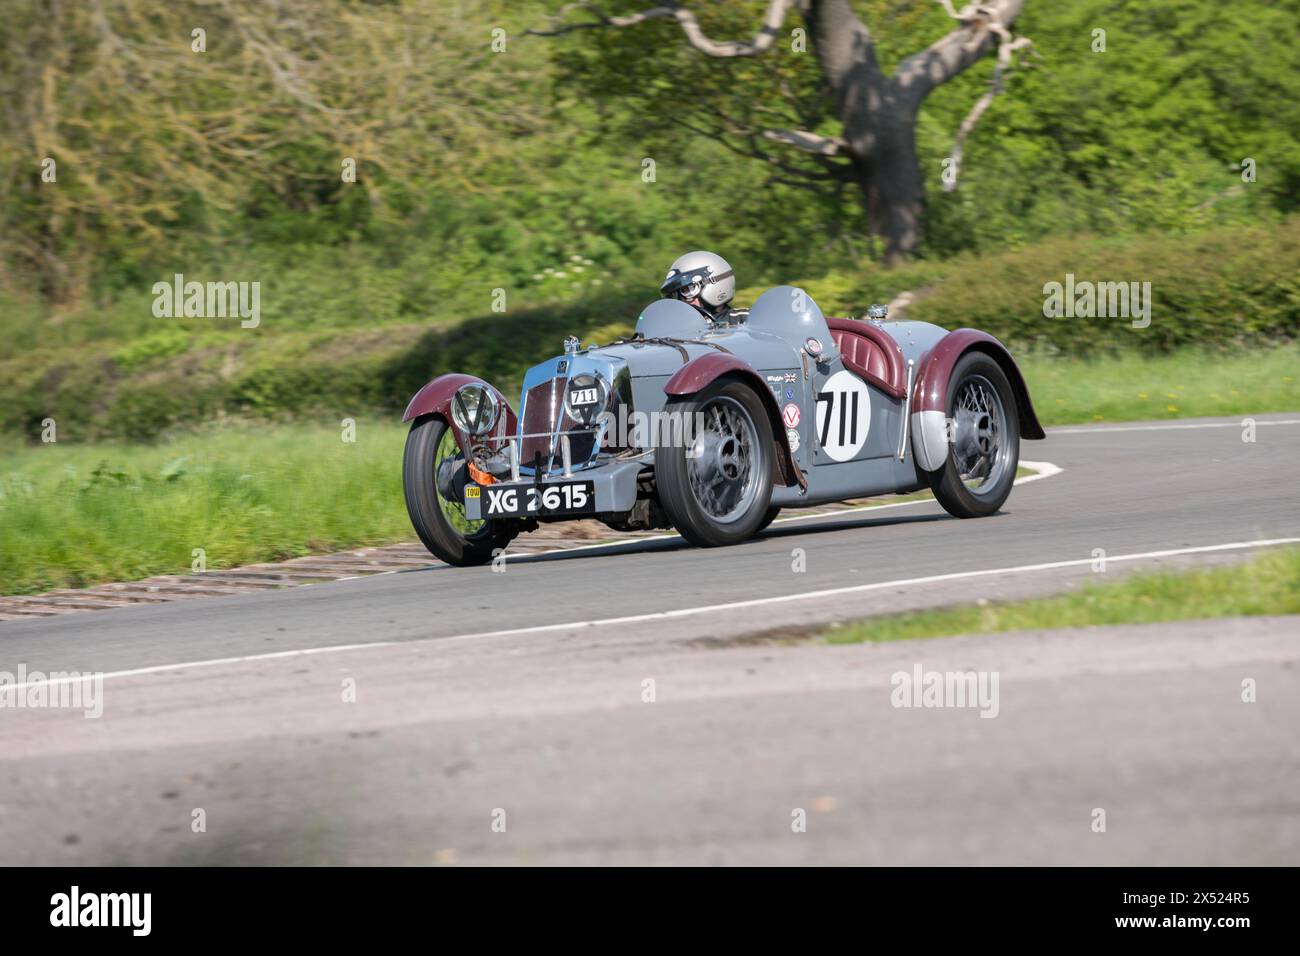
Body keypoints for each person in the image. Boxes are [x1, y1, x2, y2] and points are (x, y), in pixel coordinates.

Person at [658, 250, 747, 324]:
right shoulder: (673, 330)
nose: (682, 300)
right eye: (676, 295)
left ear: (715, 283)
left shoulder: (746, 319)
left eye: (689, 289)